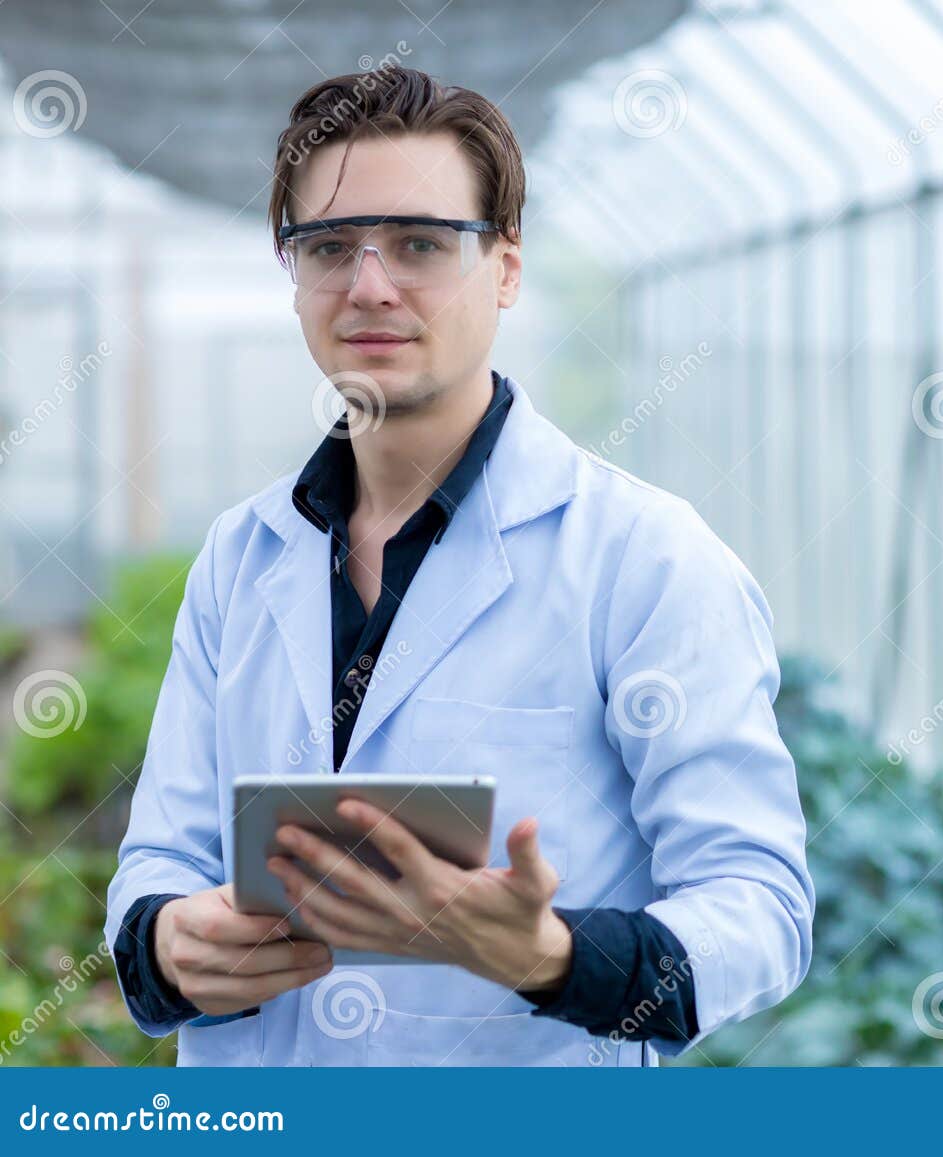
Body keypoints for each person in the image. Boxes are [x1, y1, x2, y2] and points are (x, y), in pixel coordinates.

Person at [102, 64, 814, 1067]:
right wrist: (167, 940)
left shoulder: (645, 558)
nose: (370, 285)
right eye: (330, 246)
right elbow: (164, 851)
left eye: (422, 244)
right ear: (291, 269)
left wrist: (556, 955)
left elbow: (760, 903)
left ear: (507, 267)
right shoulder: (241, 554)